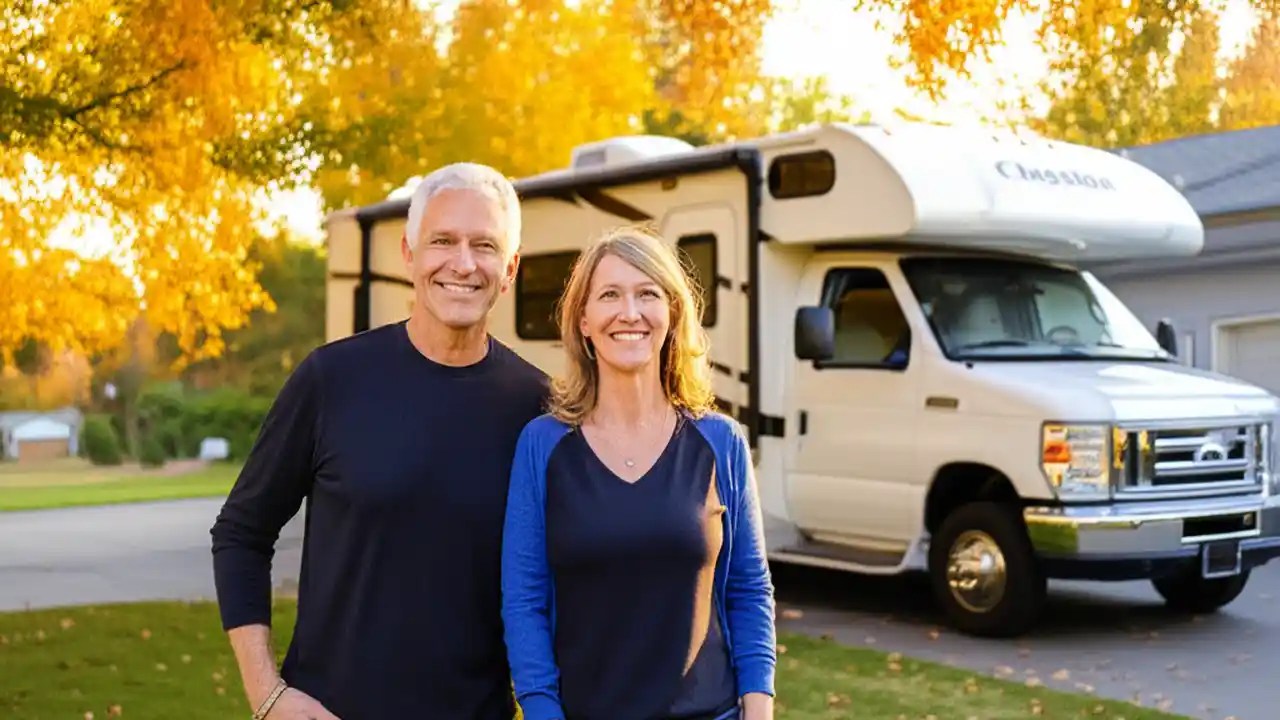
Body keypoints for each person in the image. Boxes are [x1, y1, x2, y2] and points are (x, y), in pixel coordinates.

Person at [209, 162, 548, 720]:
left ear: (509, 268)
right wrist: (267, 694)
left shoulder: (537, 408)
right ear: (409, 255)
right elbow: (242, 534)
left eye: (484, 246)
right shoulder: (331, 380)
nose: (463, 264)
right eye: (443, 241)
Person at [500, 225, 777, 720]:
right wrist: (542, 710)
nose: (630, 313)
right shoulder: (543, 444)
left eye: (647, 293)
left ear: (671, 313)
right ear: (583, 320)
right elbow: (524, 599)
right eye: (609, 295)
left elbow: (749, 589)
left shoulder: (721, 441)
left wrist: (758, 707)